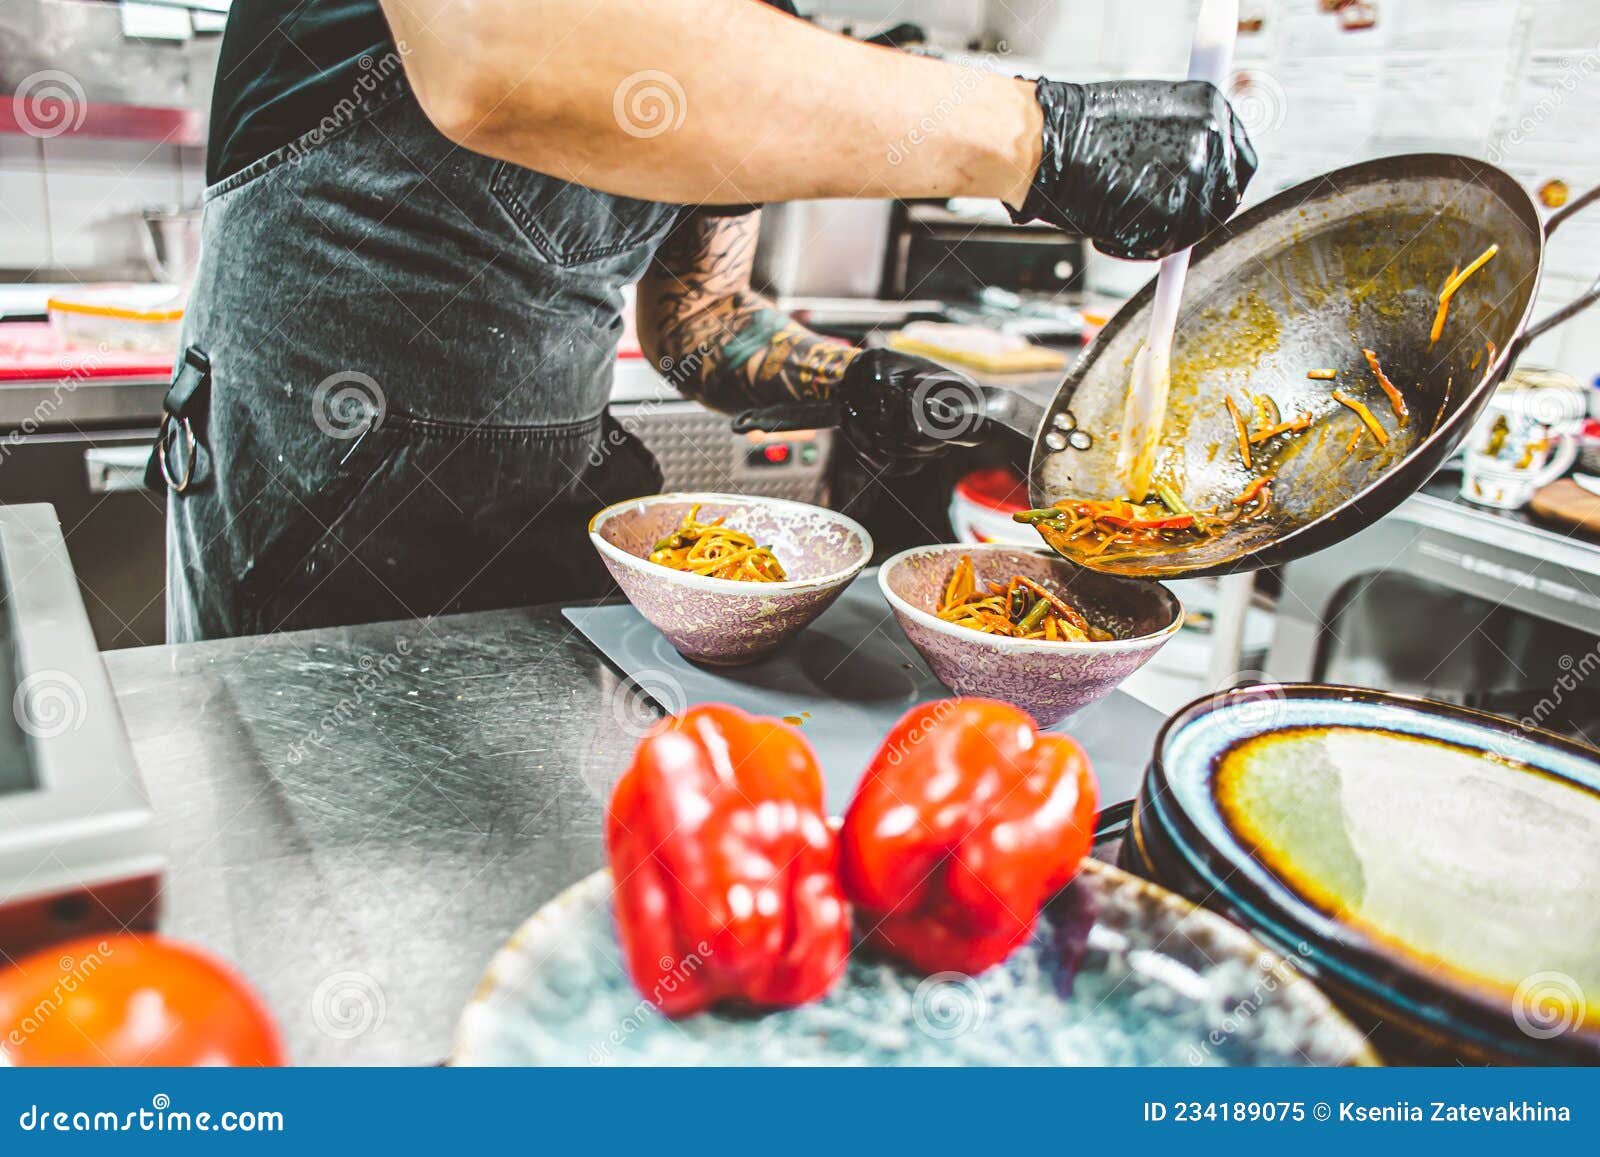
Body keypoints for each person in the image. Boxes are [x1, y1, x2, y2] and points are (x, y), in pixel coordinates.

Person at [156, 0, 1256, 641]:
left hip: (544, 508)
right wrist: (1033, 129)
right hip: (317, 499)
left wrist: (853, 381)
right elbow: (495, 57)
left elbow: (699, 317)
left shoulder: (744, 28)